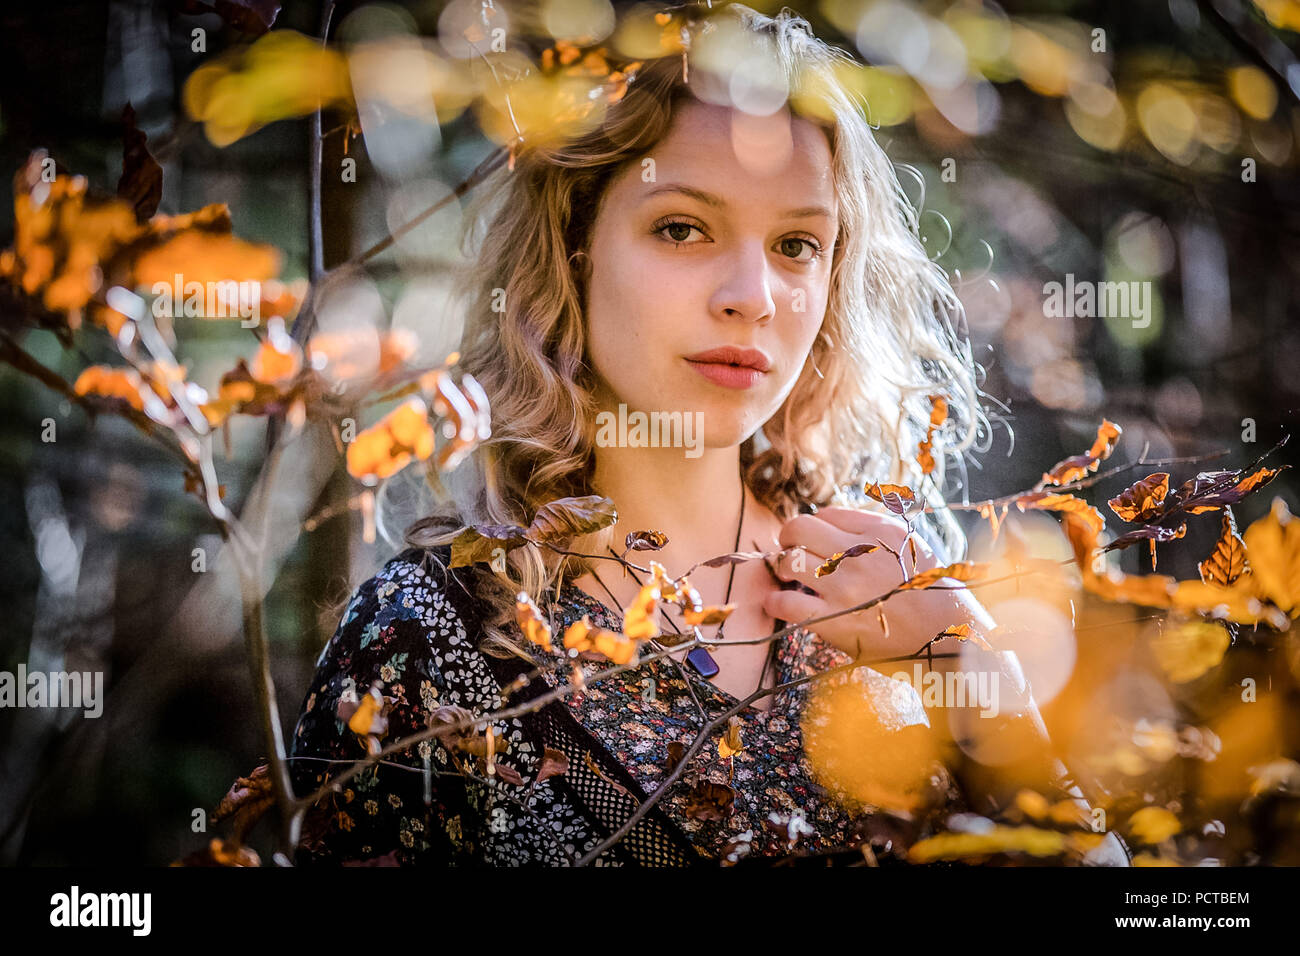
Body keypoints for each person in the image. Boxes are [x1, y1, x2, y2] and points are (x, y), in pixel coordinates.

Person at [288, 3, 1130, 867]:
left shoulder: (895, 593)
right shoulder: (428, 638)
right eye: (683, 228)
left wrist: (969, 658)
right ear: (575, 244)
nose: (752, 295)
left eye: (797, 243)